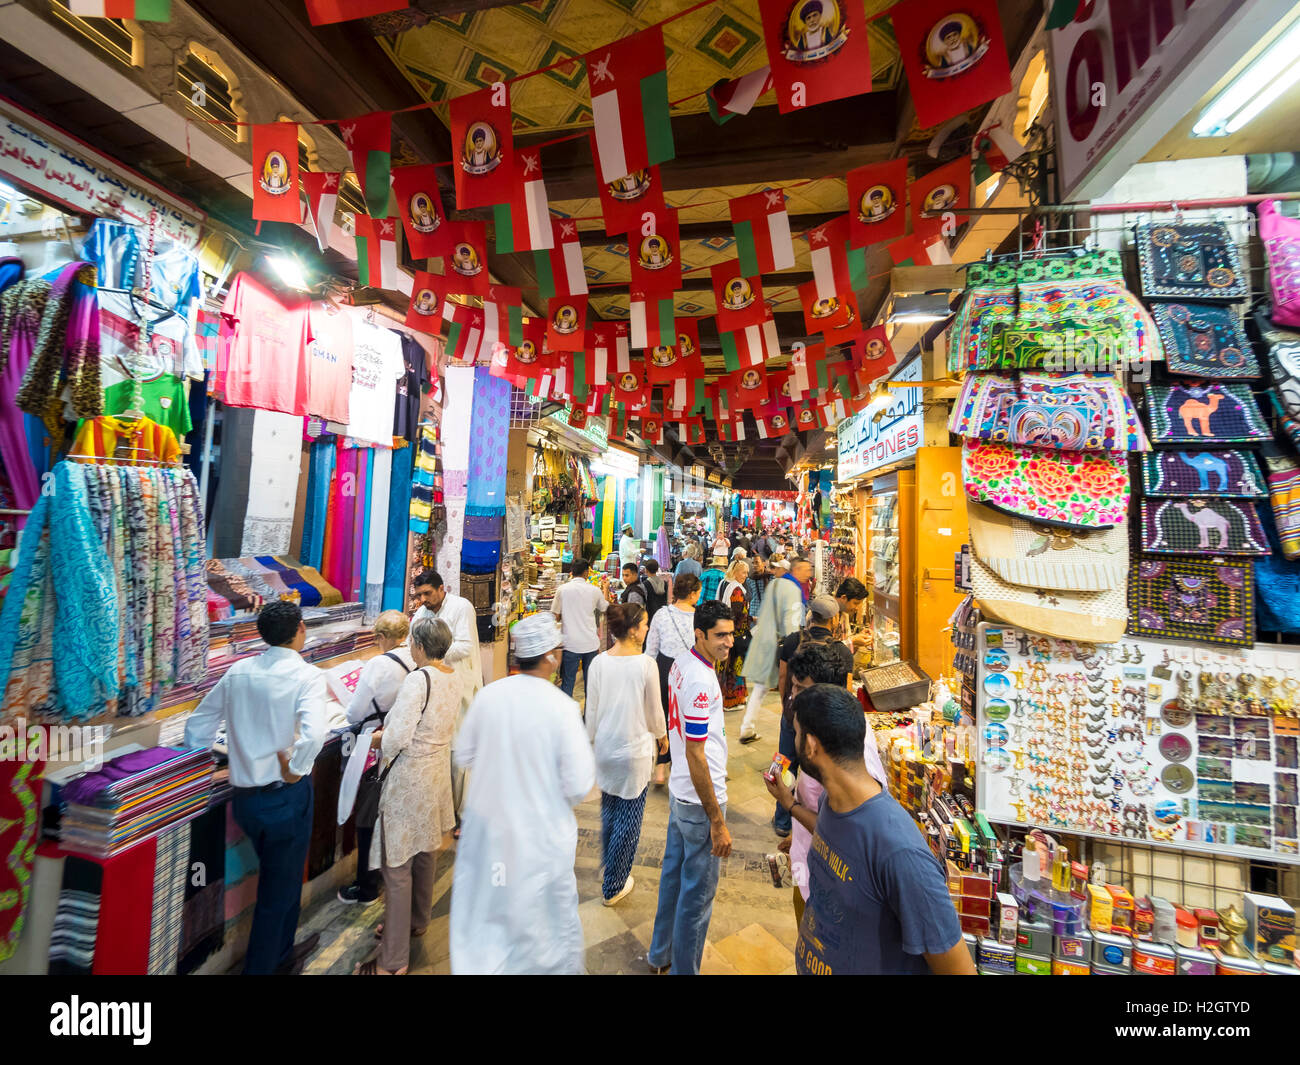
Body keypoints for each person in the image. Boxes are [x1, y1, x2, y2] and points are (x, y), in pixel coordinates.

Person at [766, 684, 973, 975]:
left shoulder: (900, 853)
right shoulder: (831, 801)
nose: (795, 740)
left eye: (797, 733)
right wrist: (790, 807)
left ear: (811, 746)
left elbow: (957, 968)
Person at [184, 600, 326, 975]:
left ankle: (282, 953)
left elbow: (198, 724)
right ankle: (265, 965)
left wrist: (200, 769)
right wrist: (296, 768)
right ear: (299, 630)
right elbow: (315, 734)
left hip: (245, 798)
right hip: (284, 796)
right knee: (278, 891)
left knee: (281, 883)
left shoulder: (239, 671)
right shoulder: (307, 676)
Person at [450, 614, 596, 974]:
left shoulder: (490, 696)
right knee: (542, 928)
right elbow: (578, 784)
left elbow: (463, 754)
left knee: (489, 916)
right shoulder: (561, 708)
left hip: (490, 838)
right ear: (549, 656)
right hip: (539, 842)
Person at [355, 618, 460, 976]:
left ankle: (392, 961)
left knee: (397, 865)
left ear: (417, 645)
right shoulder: (450, 673)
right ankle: (417, 920)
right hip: (435, 775)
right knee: (425, 851)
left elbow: (397, 737)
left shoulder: (419, 679)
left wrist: (373, 739)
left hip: (410, 778)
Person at [647, 600, 734, 975]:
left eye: (731, 634)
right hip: (700, 798)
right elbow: (697, 754)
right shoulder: (700, 678)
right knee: (697, 898)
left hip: (682, 793)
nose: (729, 642)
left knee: (672, 877)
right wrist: (716, 818)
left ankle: (659, 954)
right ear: (700, 634)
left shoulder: (683, 662)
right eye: (720, 635)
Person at [777, 642, 887, 924]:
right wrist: (797, 835)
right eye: (792, 687)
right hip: (806, 863)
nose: (792, 698)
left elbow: (848, 830)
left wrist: (789, 805)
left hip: (830, 883)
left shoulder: (849, 747)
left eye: (801, 689)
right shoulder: (816, 729)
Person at [585, 603, 667, 906]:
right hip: (634, 751)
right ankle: (614, 884)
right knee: (629, 819)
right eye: (644, 624)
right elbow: (654, 712)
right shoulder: (645, 665)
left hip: (606, 749)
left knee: (609, 811)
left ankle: (609, 866)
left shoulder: (598, 663)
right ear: (633, 629)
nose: (646, 629)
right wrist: (662, 736)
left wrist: (590, 743)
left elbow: (590, 713)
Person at [340, 610, 416, 905]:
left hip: (376, 747)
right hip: (404, 744)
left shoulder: (378, 665)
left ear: (383, 637)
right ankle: (390, 875)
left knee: (367, 817)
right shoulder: (415, 658)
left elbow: (354, 713)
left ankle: (367, 885)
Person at [412, 570, 483, 815]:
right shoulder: (421, 614)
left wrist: (433, 653)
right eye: (419, 594)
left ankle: (464, 813)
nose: (423, 599)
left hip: (460, 687)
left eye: (427, 593)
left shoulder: (461, 607)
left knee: (459, 752)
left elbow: (464, 646)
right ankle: (445, 811)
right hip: (434, 691)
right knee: (440, 750)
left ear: (442, 589)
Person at [739, 556, 812, 747]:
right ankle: (791, 726)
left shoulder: (775, 584)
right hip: (781, 646)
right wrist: (793, 648)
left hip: (765, 640)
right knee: (787, 687)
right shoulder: (793, 589)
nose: (809, 573)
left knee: (761, 687)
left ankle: (747, 727)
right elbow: (791, 621)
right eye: (805, 569)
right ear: (795, 570)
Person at [645, 573, 701, 789]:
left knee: (666, 717)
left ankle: (661, 766)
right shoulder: (699, 617)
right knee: (688, 718)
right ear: (694, 593)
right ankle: (684, 764)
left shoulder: (661, 614)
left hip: (664, 669)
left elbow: (651, 649)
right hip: (690, 670)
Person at [551, 558, 608, 697]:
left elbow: (555, 616)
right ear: (586, 572)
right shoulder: (594, 590)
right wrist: (605, 589)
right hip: (590, 643)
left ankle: (566, 715)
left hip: (571, 643)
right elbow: (605, 607)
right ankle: (589, 716)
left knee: (568, 682)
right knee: (591, 684)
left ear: (572, 572)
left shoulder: (562, 590)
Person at [717, 559, 750, 712]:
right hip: (735, 635)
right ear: (735, 572)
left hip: (726, 632)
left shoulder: (725, 584)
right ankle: (732, 700)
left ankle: (725, 698)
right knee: (734, 667)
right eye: (743, 572)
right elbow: (737, 614)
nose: (745, 575)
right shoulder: (736, 590)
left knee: (726, 666)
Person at [834, 577, 871, 656]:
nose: (857, 608)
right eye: (855, 603)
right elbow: (823, 651)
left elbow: (845, 641)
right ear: (844, 598)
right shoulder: (825, 614)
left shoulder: (844, 614)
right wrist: (853, 641)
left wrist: (859, 637)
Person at [747, 553, 772, 621]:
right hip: (754, 613)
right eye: (752, 563)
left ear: (764, 563)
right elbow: (751, 596)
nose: (754, 565)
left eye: (757, 562)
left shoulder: (771, 577)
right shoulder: (750, 579)